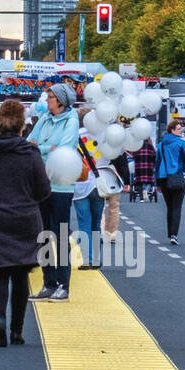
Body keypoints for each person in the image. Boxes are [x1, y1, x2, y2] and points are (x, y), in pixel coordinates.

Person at [0, 100, 51, 347]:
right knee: (20, 275)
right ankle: (17, 330)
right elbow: (43, 190)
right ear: (21, 125)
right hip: (25, 221)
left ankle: (0, 321)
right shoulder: (31, 154)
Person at [27, 84, 81, 301]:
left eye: (50, 97)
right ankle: (48, 283)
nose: (46, 100)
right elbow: (28, 143)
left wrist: (39, 148)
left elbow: (64, 150)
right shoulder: (44, 119)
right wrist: (48, 149)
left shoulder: (71, 121)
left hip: (61, 185)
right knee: (43, 236)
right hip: (42, 183)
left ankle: (63, 285)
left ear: (61, 101)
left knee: (60, 236)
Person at [156, 119, 185, 244]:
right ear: (172, 130)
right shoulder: (181, 143)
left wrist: (157, 182)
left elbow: (157, 163)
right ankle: (174, 235)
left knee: (170, 207)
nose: (181, 131)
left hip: (163, 178)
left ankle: (171, 233)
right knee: (176, 207)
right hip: (178, 177)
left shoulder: (161, 145)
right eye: (179, 129)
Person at [73, 108, 105, 269]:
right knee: (96, 224)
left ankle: (87, 259)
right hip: (99, 183)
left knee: (84, 224)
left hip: (80, 184)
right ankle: (97, 259)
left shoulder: (74, 135)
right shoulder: (102, 135)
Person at [131, 137, 156, 202]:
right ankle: (146, 190)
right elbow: (154, 157)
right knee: (150, 182)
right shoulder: (151, 147)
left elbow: (133, 156)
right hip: (149, 168)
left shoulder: (137, 147)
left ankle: (141, 198)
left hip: (139, 168)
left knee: (139, 182)